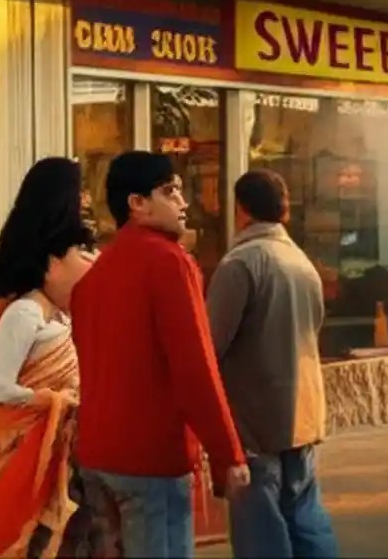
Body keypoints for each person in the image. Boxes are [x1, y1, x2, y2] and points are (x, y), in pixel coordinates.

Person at [69, 150, 249, 558]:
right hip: (151, 457)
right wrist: (227, 454)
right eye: (170, 192)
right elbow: (194, 368)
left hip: (98, 454)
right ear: (137, 203)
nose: (183, 204)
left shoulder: (92, 279)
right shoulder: (170, 263)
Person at [0, 158, 95, 558]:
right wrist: (52, 400)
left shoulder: (56, 313)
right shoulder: (24, 313)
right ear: (53, 264)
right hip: (21, 446)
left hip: (58, 444)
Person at [206, 170, 338, 558]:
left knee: (260, 528)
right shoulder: (301, 262)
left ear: (241, 210)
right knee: (305, 517)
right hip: (303, 414)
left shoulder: (241, 264)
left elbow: (210, 344)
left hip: (254, 419)